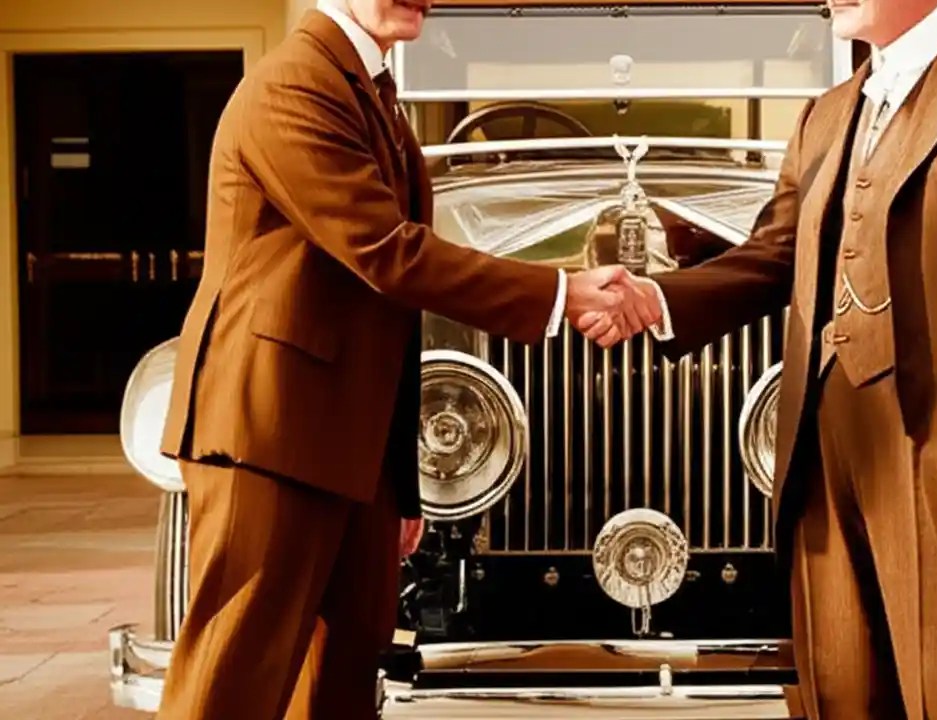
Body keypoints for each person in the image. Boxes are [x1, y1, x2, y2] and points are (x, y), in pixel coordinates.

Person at [578, 0, 937, 716]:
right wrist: (654, 298)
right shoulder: (824, 114)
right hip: (819, 452)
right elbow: (774, 258)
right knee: (838, 695)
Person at [155, 0, 653, 717]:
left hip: (346, 450)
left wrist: (400, 489)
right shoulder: (293, 84)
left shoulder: (372, 89)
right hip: (268, 431)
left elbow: (389, 320)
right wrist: (561, 290)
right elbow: (386, 254)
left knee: (344, 682)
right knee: (231, 684)